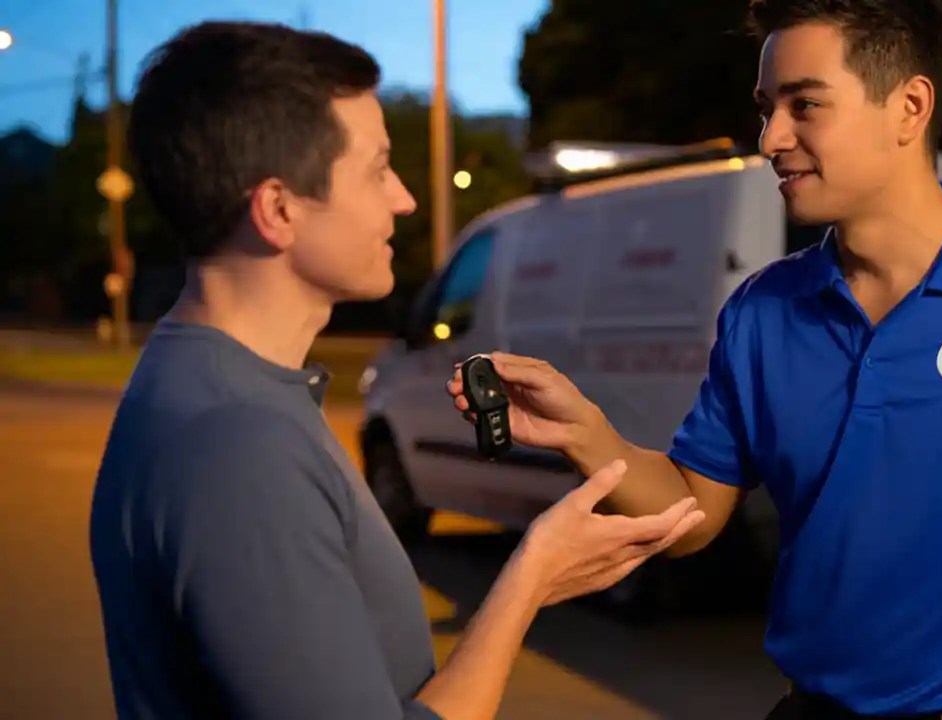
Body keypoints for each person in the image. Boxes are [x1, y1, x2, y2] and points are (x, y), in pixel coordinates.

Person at [447, 0, 942, 718]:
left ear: (909, 107)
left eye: (805, 106)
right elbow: (695, 513)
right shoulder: (763, 310)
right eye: (767, 107)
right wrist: (585, 432)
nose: (770, 137)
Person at [88, 21, 705, 720]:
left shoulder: (205, 385)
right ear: (279, 209)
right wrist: (530, 579)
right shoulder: (238, 445)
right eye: (378, 169)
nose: (404, 199)